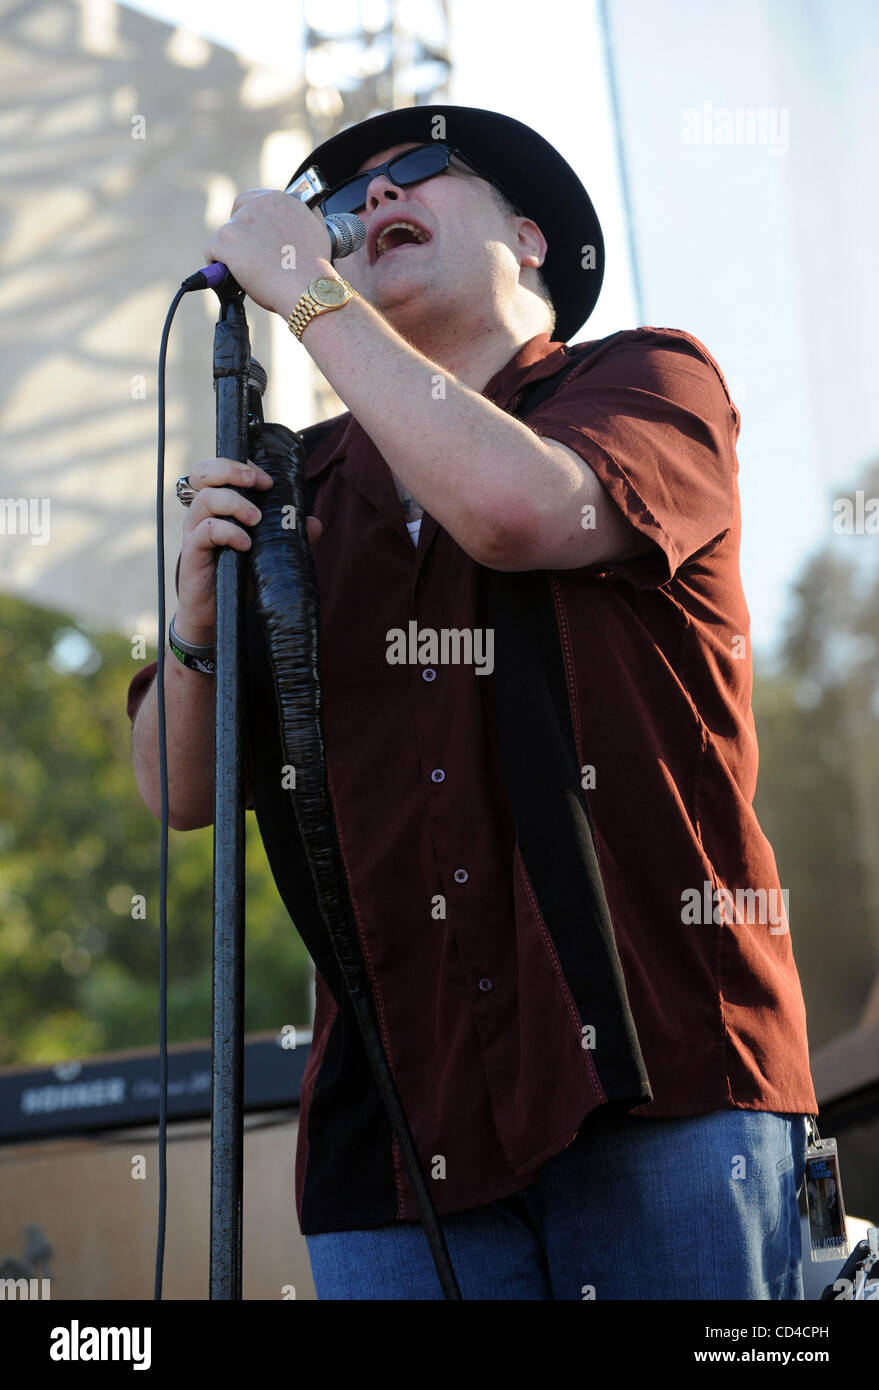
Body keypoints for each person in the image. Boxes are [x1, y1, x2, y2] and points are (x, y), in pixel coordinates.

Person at [127, 104, 818, 1300]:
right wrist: (193, 635)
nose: (371, 197)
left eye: (418, 173)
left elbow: (517, 511)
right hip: (395, 1138)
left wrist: (306, 295)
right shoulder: (296, 488)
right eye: (351, 193)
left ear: (531, 239)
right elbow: (179, 788)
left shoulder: (647, 380)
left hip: (664, 1079)